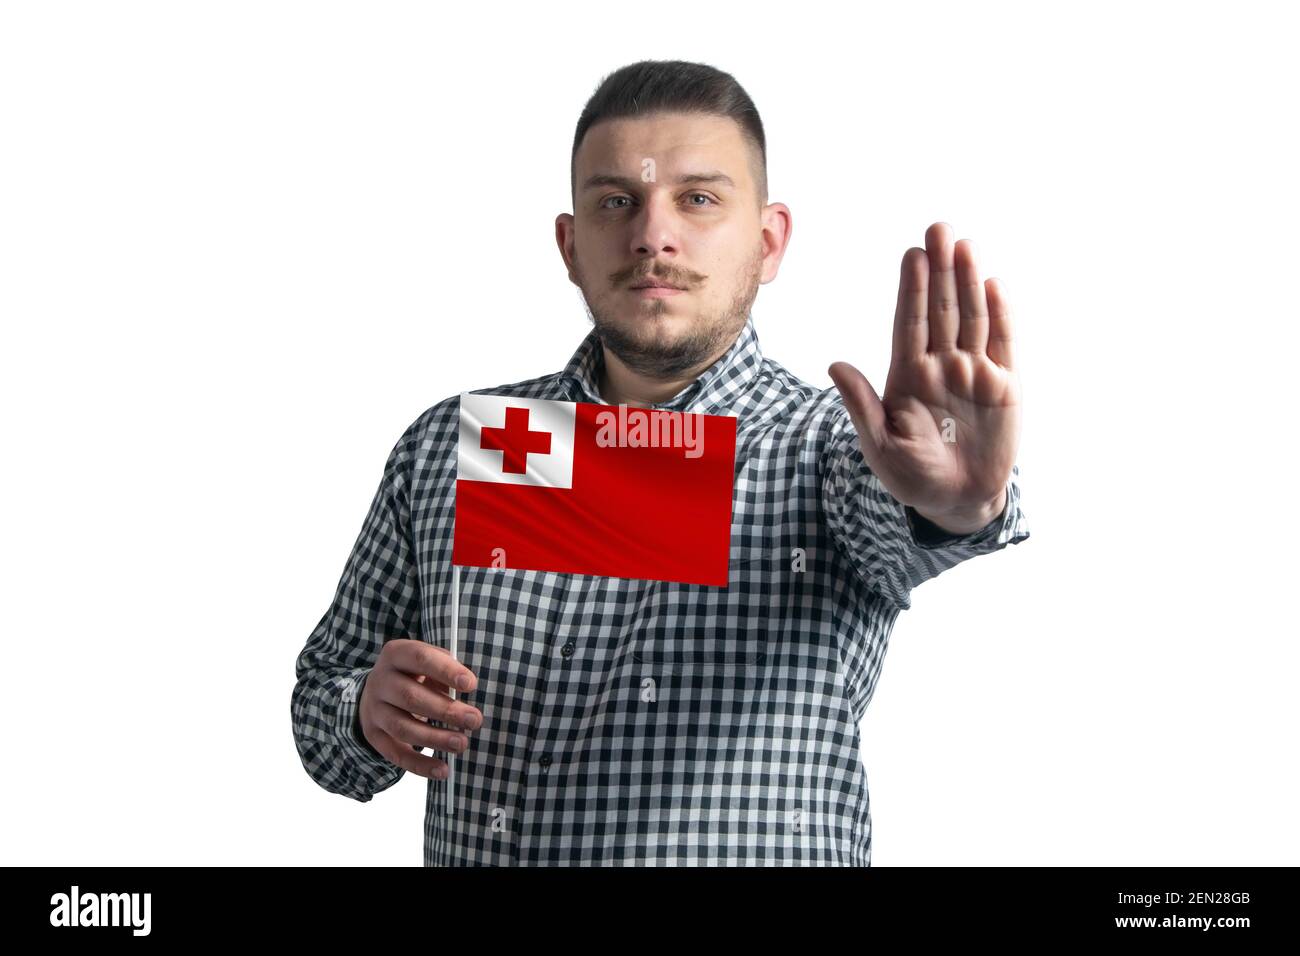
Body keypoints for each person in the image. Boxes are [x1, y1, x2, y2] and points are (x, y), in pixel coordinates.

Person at [291, 59, 1030, 866]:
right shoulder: (451, 447)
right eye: (617, 202)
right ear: (570, 244)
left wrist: (956, 502)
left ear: (770, 238)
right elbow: (322, 714)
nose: (653, 235)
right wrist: (364, 709)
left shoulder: (831, 452)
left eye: (699, 199)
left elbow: (908, 525)